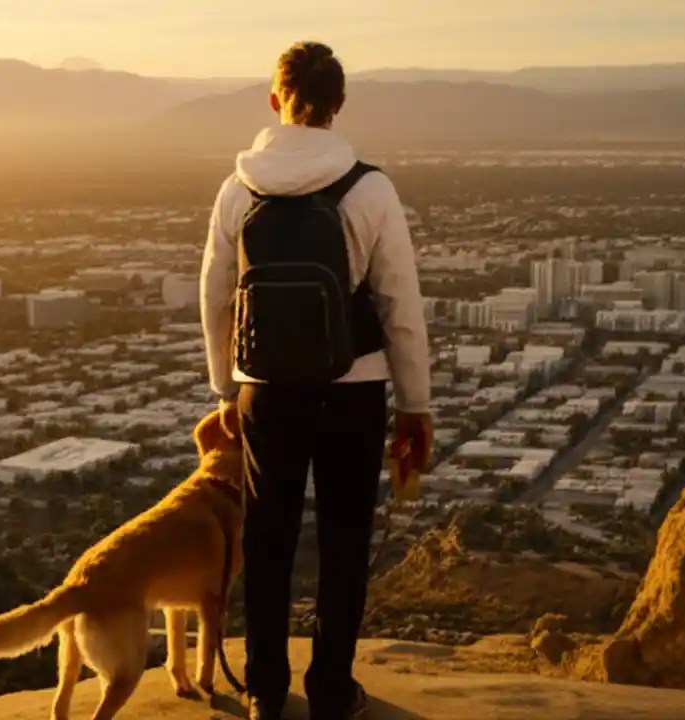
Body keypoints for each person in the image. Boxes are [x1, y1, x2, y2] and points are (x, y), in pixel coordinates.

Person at [199, 41, 432, 720]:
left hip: (265, 388)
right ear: (338, 107)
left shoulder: (238, 188)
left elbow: (216, 296)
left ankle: (265, 690)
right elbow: (400, 306)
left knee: (268, 535)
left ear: (276, 101)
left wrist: (225, 390)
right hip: (353, 386)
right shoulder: (370, 187)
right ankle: (332, 689)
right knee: (343, 538)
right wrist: (415, 404)